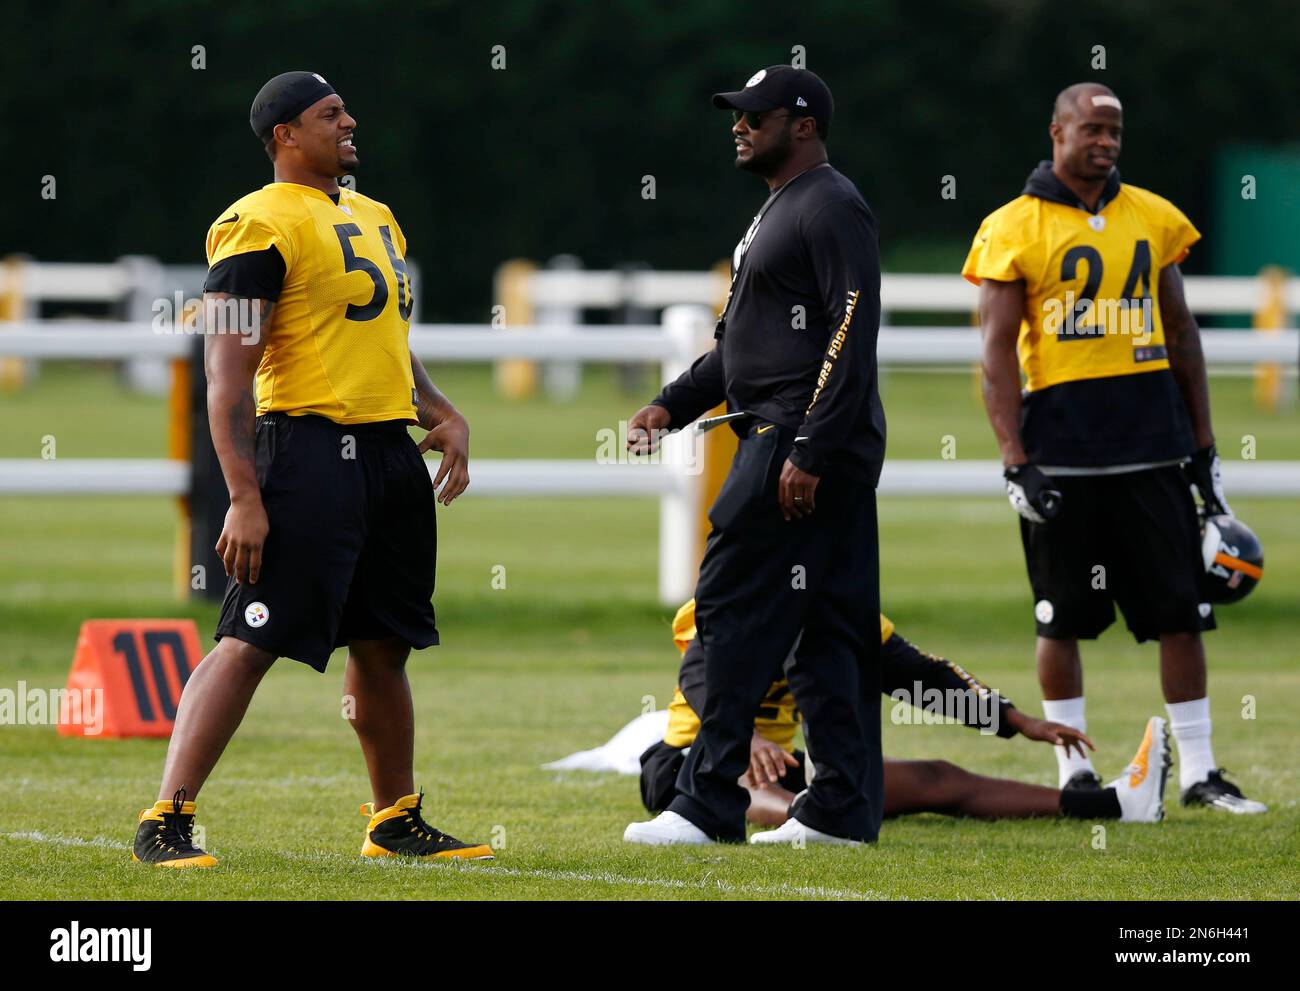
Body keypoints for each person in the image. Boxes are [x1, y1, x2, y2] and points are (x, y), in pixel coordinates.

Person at [131, 71, 492, 868]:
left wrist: (439, 410)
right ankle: (167, 816)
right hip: (307, 453)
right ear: (285, 135)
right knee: (250, 636)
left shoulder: (375, 216)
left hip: (388, 455)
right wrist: (242, 495)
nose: (350, 121)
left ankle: (393, 816)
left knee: (382, 643)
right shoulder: (253, 222)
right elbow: (226, 372)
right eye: (331, 114)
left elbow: (388, 339)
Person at [963, 82, 1264, 814]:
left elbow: (1184, 337)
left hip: (1152, 449)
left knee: (1181, 613)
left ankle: (1199, 769)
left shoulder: (1153, 217)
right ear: (1057, 131)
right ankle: (1075, 769)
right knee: (1059, 616)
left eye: (1116, 132)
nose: (1106, 142)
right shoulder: (1013, 226)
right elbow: (996, 353)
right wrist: (1014, 457)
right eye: (1092, 129)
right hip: (1061, 453)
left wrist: (1203, 445)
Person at [623, 66, 888, 847]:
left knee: (729, 610)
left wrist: (810, 441)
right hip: (802, 439)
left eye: (755, 115)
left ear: (803, 124)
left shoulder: (832, 204)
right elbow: (738, 347)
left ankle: (706, 804)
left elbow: (851, 330)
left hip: (793, 442)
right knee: (831, 627)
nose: (738, 126)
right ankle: (840, 811)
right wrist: (672, 403)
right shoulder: (782, 209)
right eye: (736, 116)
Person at [637, 600, 1170, 829]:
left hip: (781, 761)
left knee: (937, 778)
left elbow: (926, 680)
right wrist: (744, 736)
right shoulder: (739, 596)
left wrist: (1016, 721)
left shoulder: (846, 611)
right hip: (691, 761)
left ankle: (1113, 805)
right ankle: (810, 821)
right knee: (753, 787)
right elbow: (701, 677)